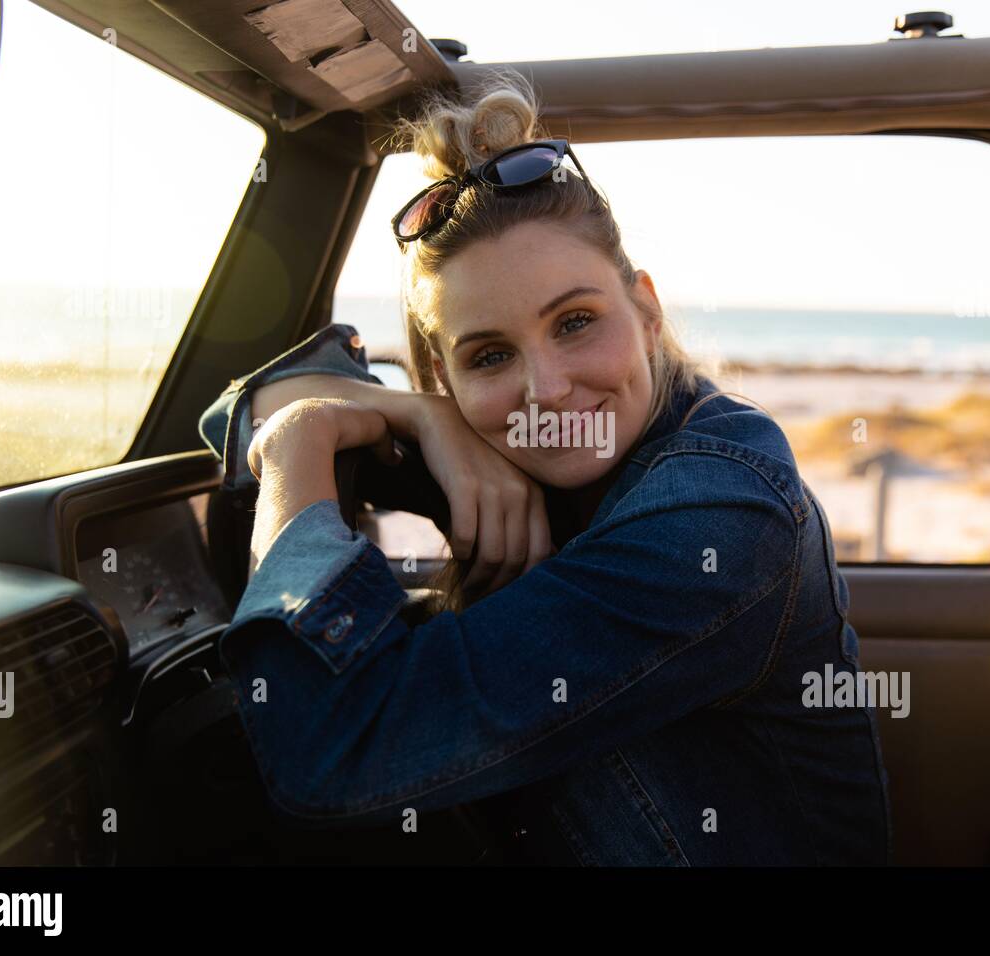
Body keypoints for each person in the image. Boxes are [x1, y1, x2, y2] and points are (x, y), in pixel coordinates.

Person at [198, 71, 891, 865]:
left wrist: (299, 441)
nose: (548, 390)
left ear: (646, 308)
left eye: (575, 321)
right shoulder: (501, 442)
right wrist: (422, 417)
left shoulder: (720, 514)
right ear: (441, 369)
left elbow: (329, 749)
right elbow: (231, 413)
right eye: (490, 354)